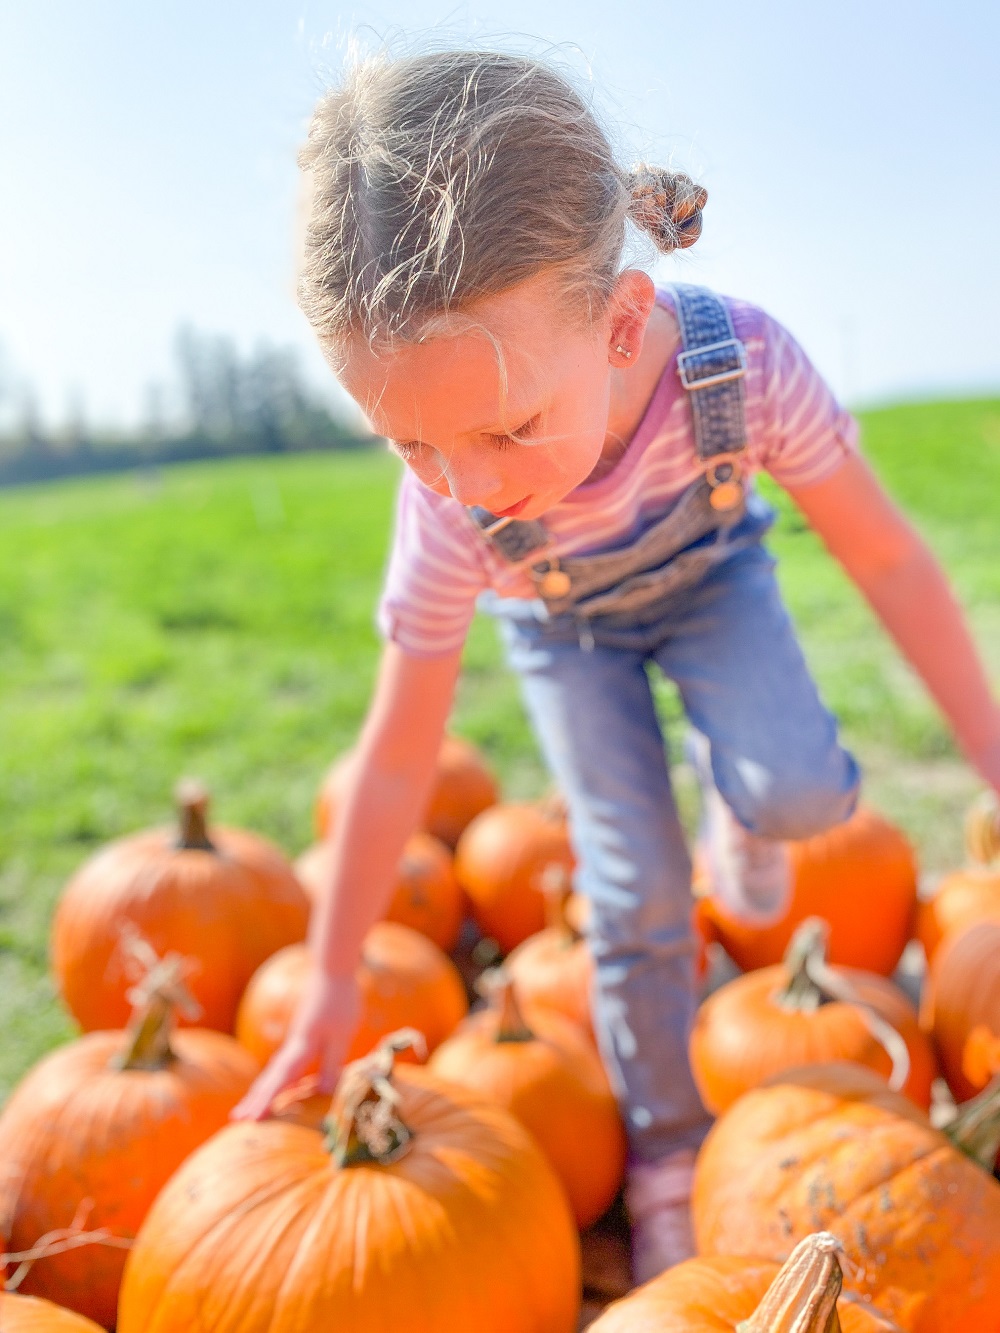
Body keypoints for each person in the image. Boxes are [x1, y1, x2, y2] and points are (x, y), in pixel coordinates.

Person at [232, 48, 1000, 1277]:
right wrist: (329, 977)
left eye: (506, 427)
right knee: (635, 898)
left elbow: (893, 563)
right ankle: (662, 1152)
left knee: (806, 795)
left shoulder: (742, 370)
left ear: (623, 321)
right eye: (410, 442)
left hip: (711, 584)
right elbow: (396, 752)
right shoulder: (450, 513)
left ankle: (742, 808)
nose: (466, 482)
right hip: (565, 634)